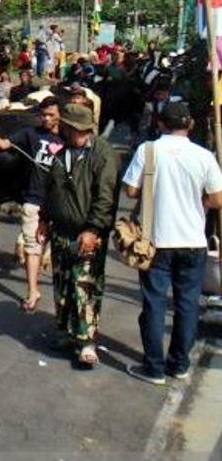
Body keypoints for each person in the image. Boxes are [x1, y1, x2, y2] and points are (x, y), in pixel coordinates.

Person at [122, 103, 222, 385]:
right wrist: (197, 204)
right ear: (189, 125)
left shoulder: (148, 151)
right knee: (187, 306)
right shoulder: (204, 156)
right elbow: (217, 199)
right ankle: (179, 364)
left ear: (161, 124)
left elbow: (130, 191)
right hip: (193, 241)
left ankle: (154, 368)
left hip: (156, 242)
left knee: (153, 304)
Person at [43, 103, 118, 368]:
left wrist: (93, 229)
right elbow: (51, 189)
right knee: (62, 285)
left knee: (83, 286)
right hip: (60, 231)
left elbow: (105, 197)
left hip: (87, 233)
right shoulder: (61, 153)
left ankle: (86, 341)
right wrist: (44, 219)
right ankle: (65, 331)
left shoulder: (102, 154)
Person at [0, 97, 64, 312]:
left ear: (60, 115)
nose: (46, 118)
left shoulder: (69, 137)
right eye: (43, 115)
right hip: (34, 200)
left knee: (62, 250)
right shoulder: (31, 133)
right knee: (32, 246)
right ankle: (32, 291)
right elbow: (3, 145)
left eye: (51, 115)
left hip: (61, 203)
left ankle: (64, 297)